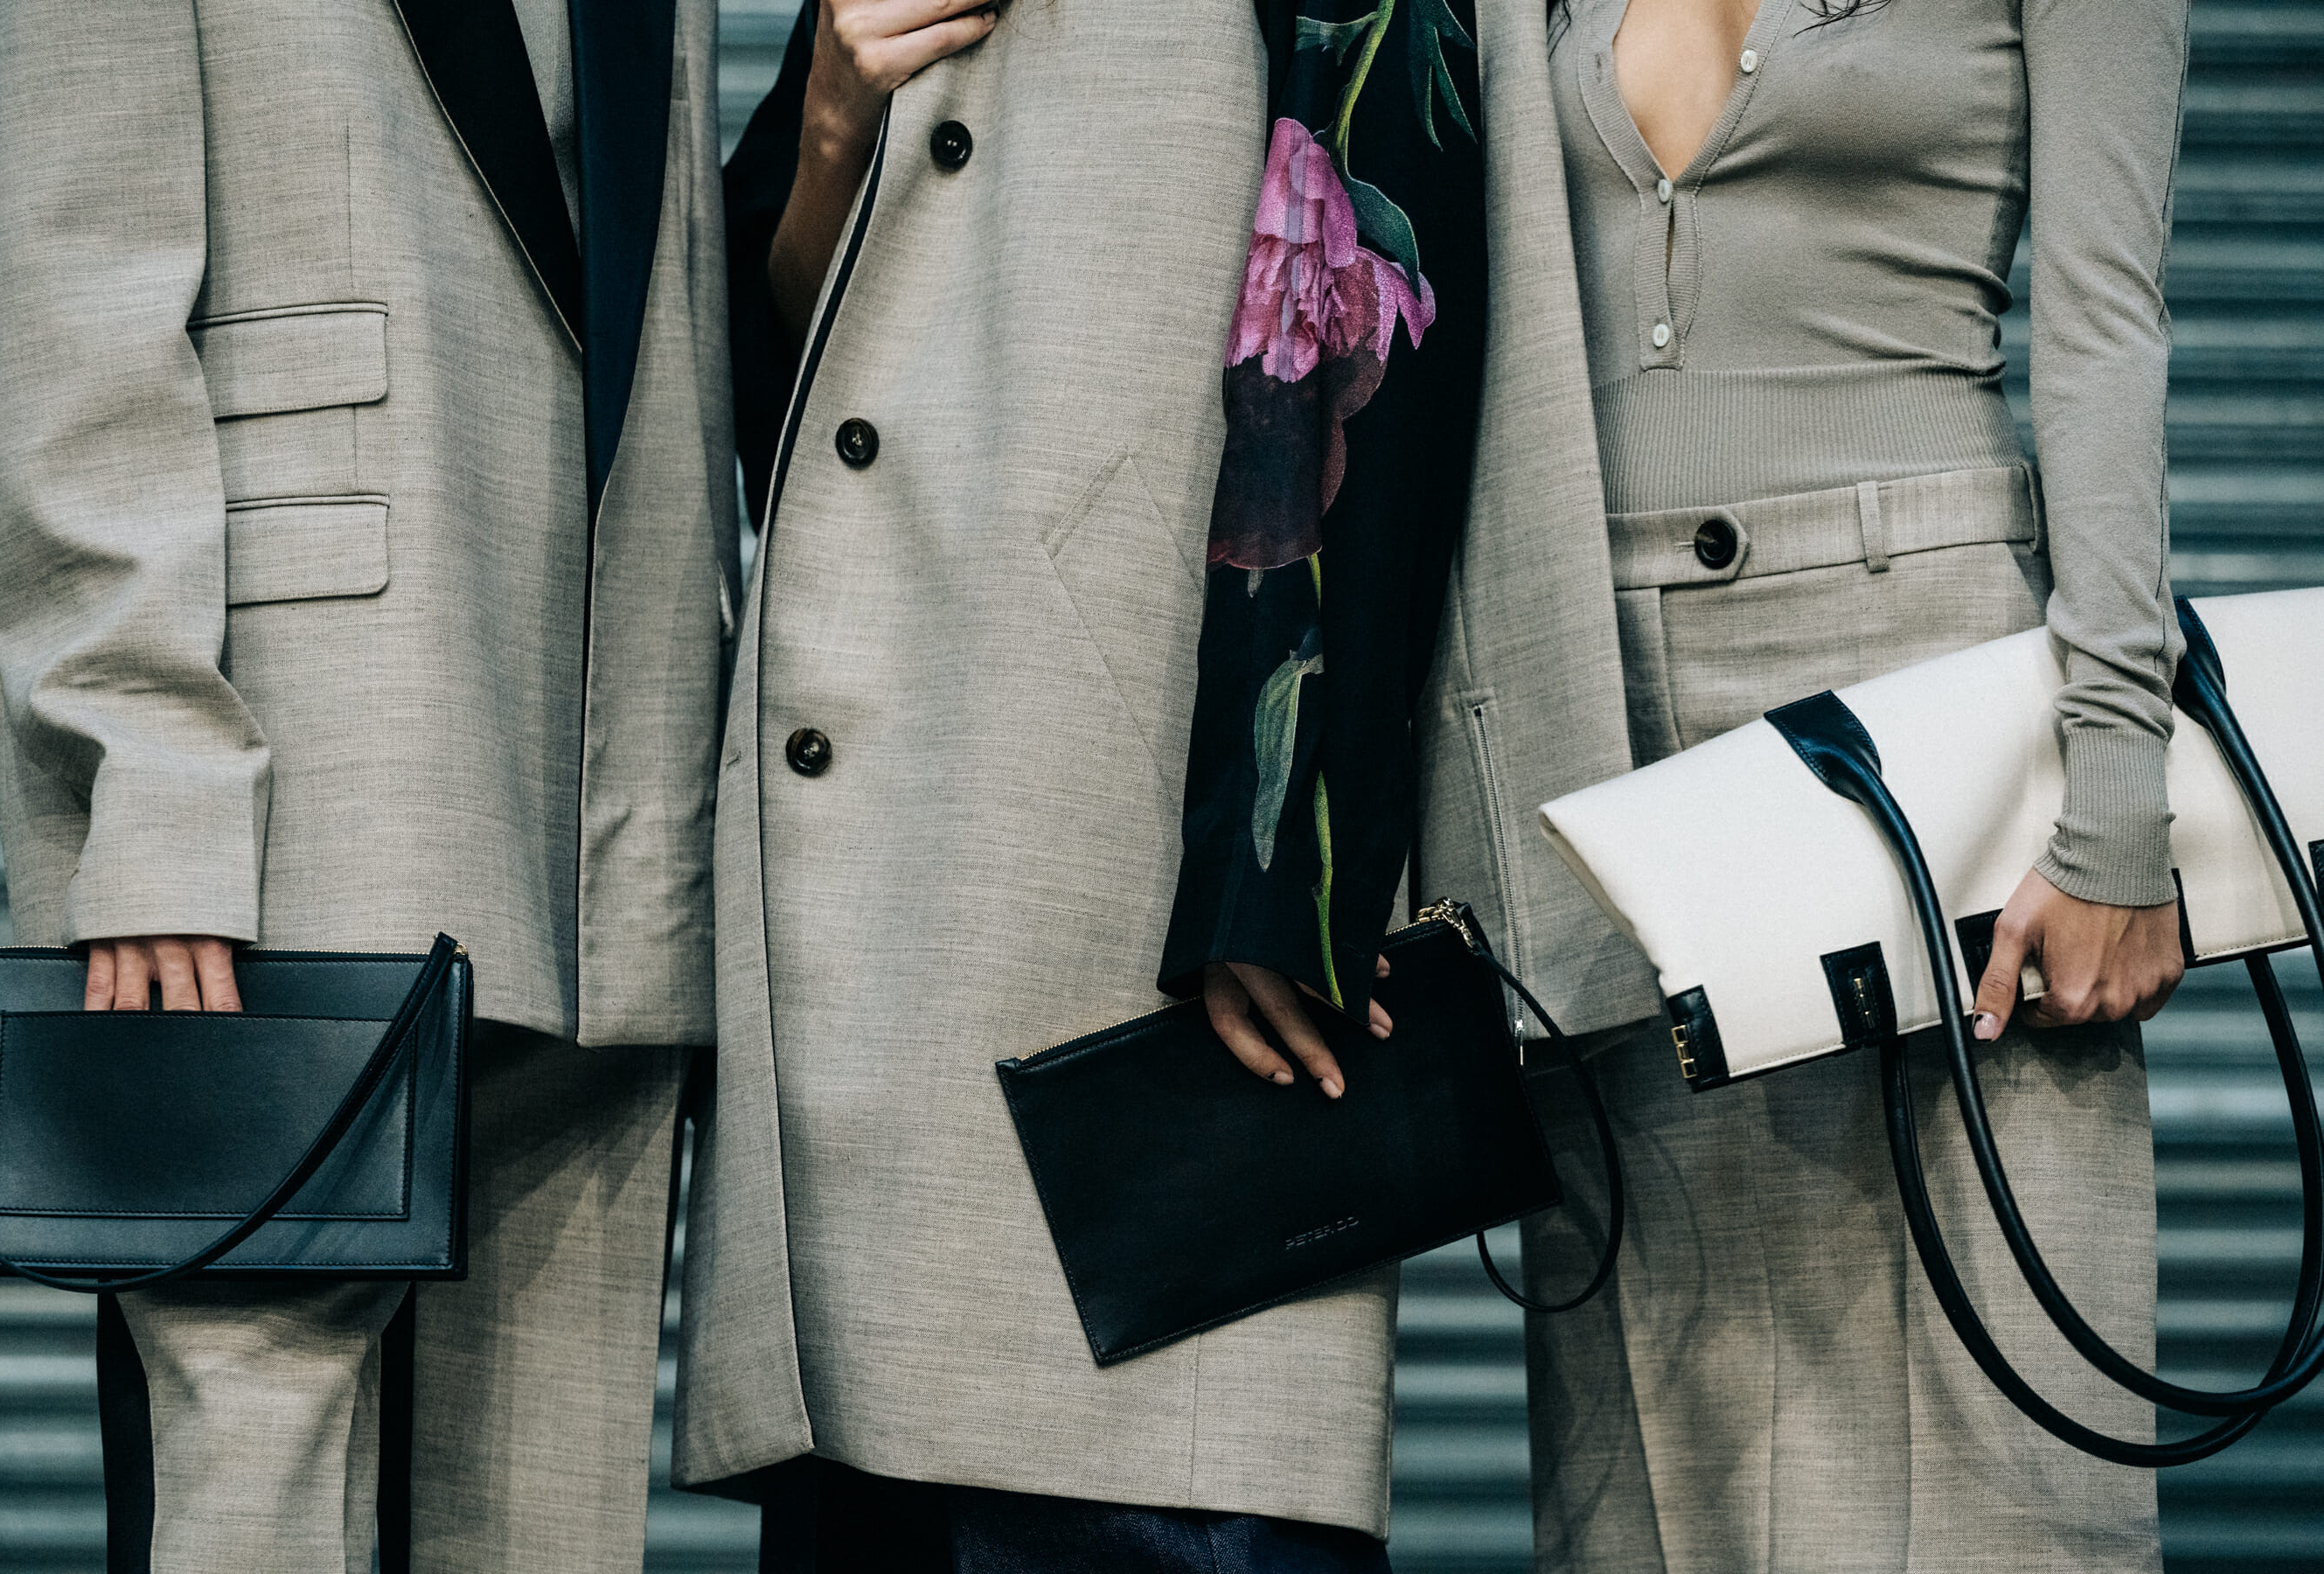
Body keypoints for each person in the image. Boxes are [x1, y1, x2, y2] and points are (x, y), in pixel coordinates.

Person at [669, 0, 1660, 1567]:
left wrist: (1291, 873)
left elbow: (1382, 322)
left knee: (1161, 1485)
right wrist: (834, 123)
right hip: (887, 906)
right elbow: (774, 402)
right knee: (889, 1489)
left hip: (1140, 922)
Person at [0, 2, 737, 1569]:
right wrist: (151, 781)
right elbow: (65, 291)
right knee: (254, 1494)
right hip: (287, 802)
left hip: (610, 797)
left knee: (545, 1516)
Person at [1518, 1, 2187, 1569]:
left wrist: (2117, 811)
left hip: (1933, 729)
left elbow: (2106, 326)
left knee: (1992, 1464)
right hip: (1607, 737)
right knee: (1652, 1472)